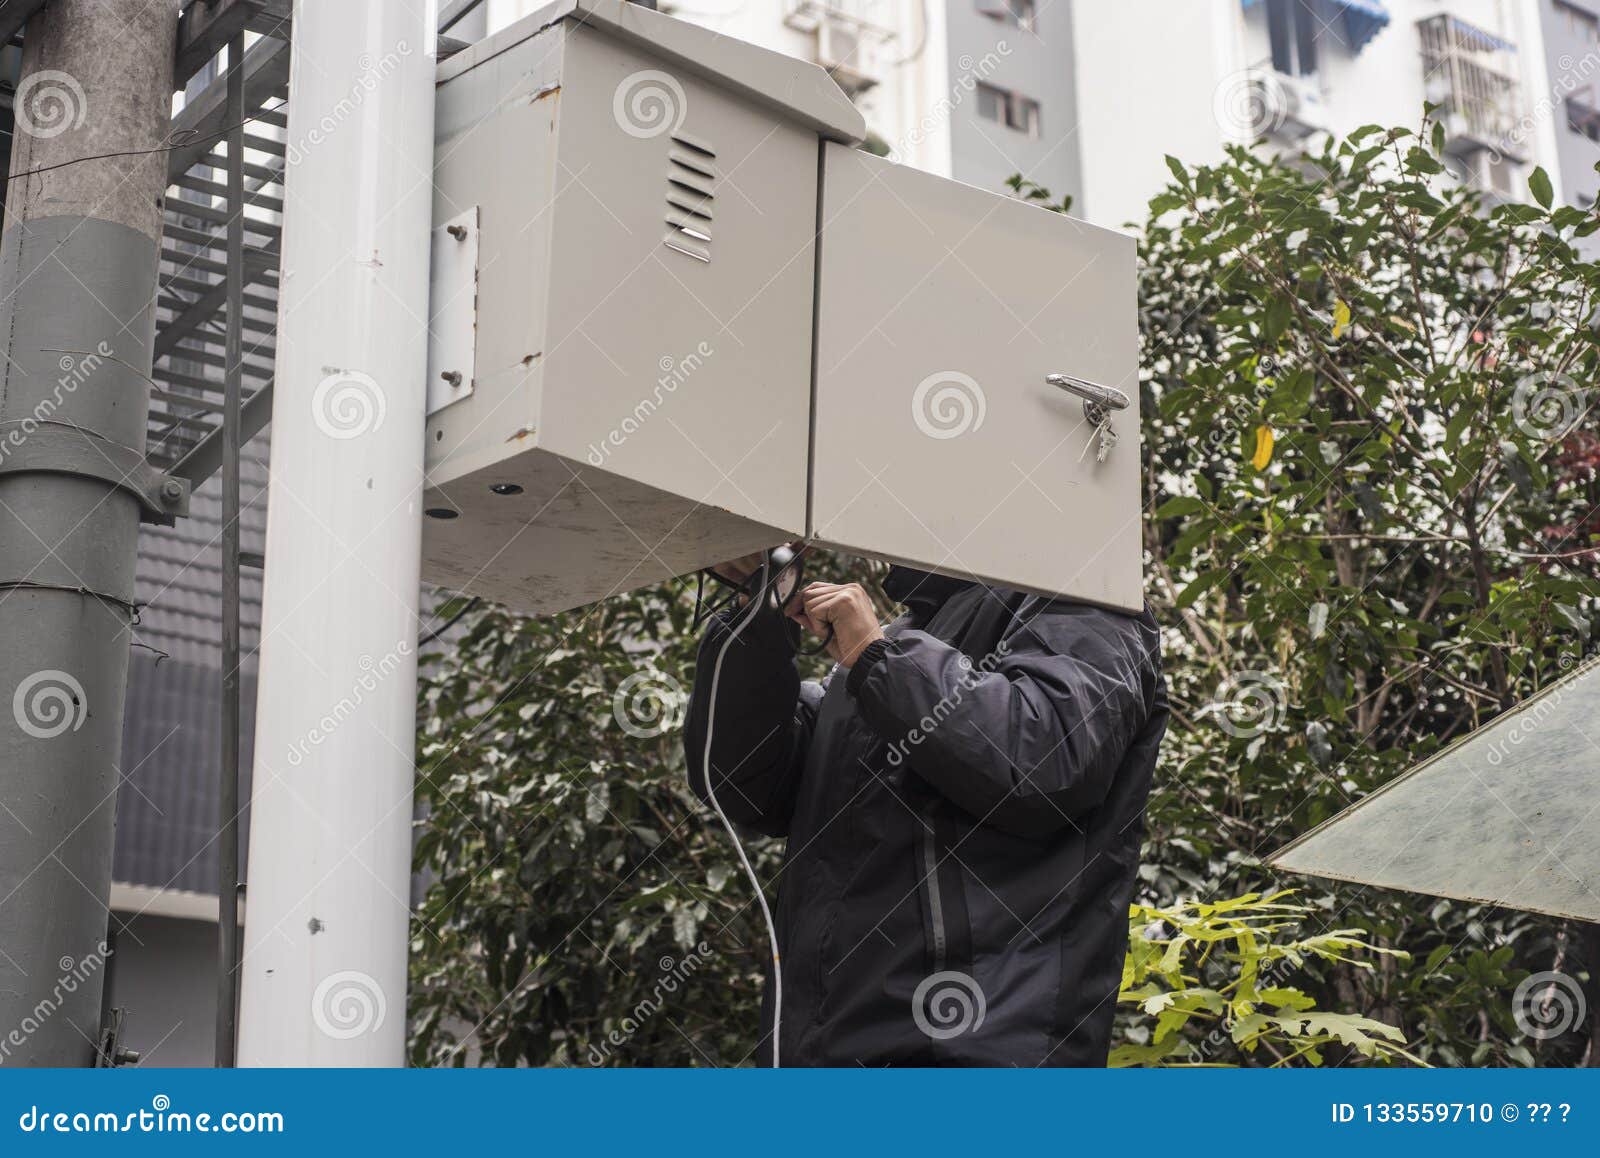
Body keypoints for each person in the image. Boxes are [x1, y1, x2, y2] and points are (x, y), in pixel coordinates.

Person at [683, 553, 1168, 1066]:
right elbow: (743, 784)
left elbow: (1045, 761)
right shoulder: (888, 644)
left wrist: (880, 658)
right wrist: (756, 615)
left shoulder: (1090, 600)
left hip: (974, 1055)